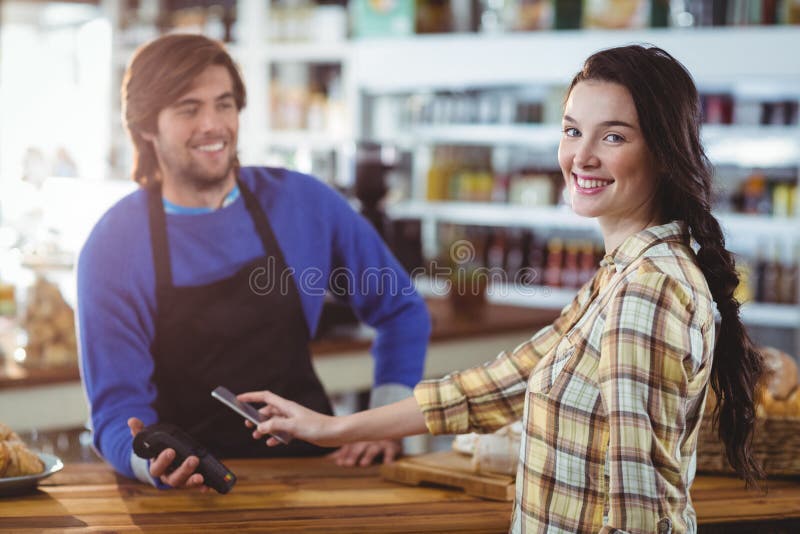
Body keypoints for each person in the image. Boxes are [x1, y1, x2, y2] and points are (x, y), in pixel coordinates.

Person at [240, 45, 764, 533]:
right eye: (572, 131)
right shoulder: (621, 275)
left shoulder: (647, 294)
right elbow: (497, 387)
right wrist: (331, 428)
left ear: (665, 152)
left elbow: (639, 512)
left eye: (614, 136)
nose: (580, 157)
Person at [77, 34, 431, 489]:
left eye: (224, 105)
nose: (213, 125)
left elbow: (401, 309)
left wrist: (385, 418)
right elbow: (115, 411)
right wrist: (149, 464)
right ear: (147, 126)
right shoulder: (113, 247)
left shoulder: (302, 203)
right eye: (189, 109)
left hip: (316, 476)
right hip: (188, 494)